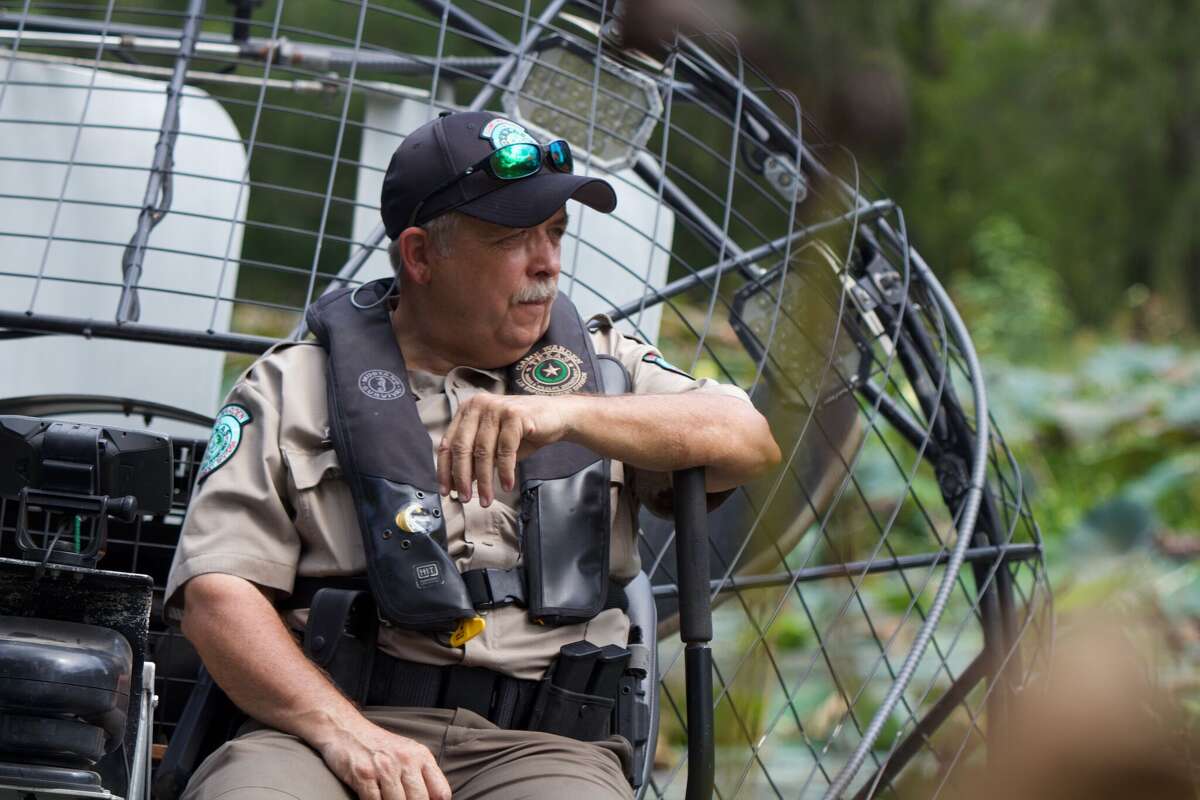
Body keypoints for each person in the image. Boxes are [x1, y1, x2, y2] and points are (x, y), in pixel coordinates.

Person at [164, 110, 780, 800]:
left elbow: (748, 437)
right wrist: (346, 734)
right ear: (421, 256)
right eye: (513, 238)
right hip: (323, 735)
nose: (547, 263)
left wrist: (568, 413)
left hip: (544, 750)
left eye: (555, 233)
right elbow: (216, 597)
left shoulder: (606, 368)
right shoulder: (291, 387)